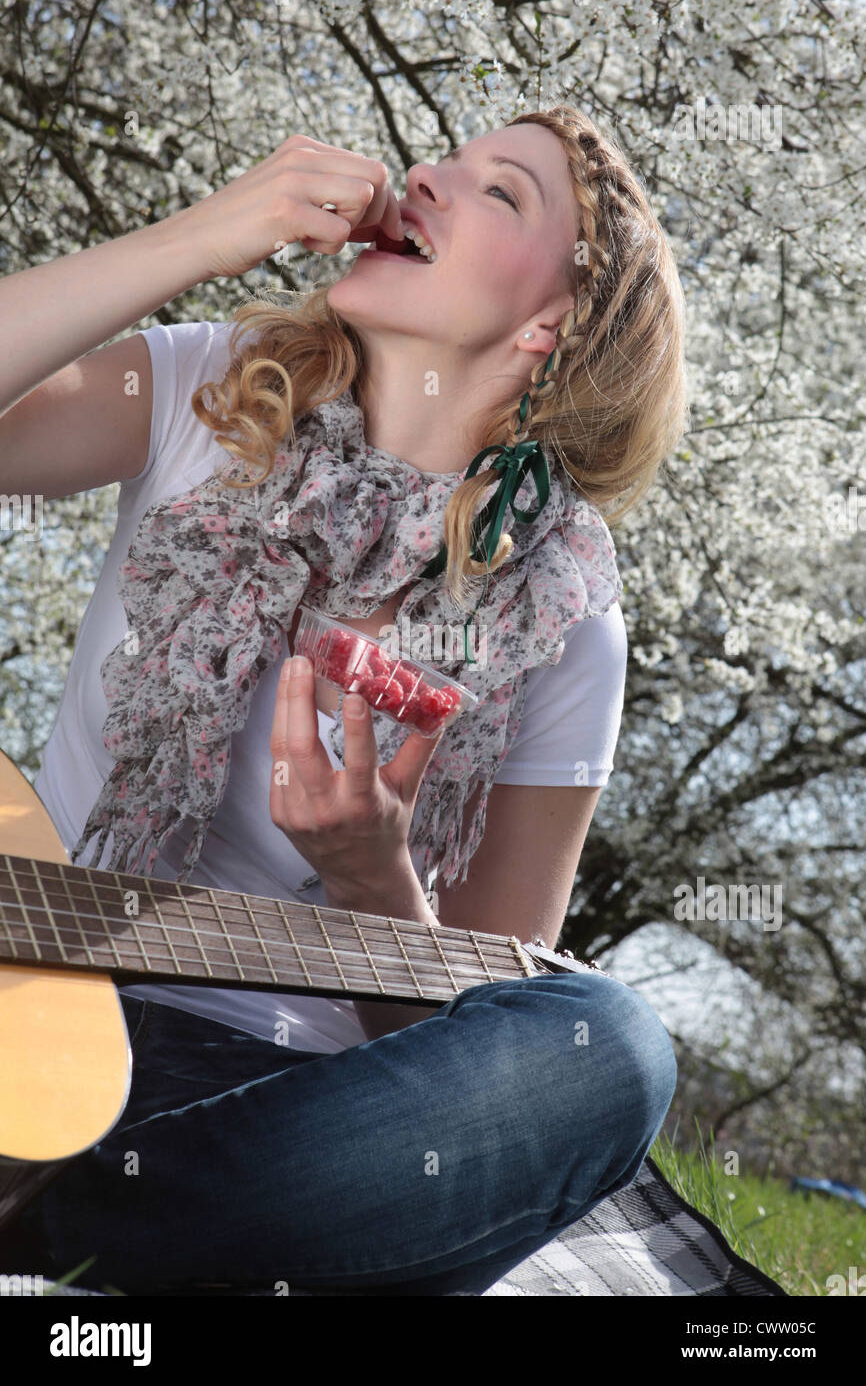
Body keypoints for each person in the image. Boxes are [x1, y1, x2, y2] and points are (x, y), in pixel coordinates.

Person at [0, 104, 688, 1295]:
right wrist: (199, 237)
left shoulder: (565, 621)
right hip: (33, 1013)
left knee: (608, 1048)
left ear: (551, 324)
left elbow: (461, 1036)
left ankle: (75, 1240)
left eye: (500, 192)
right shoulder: (206, 391)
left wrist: (378, 883)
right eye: (447, 158)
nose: (427, 176)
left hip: (278, 1119)